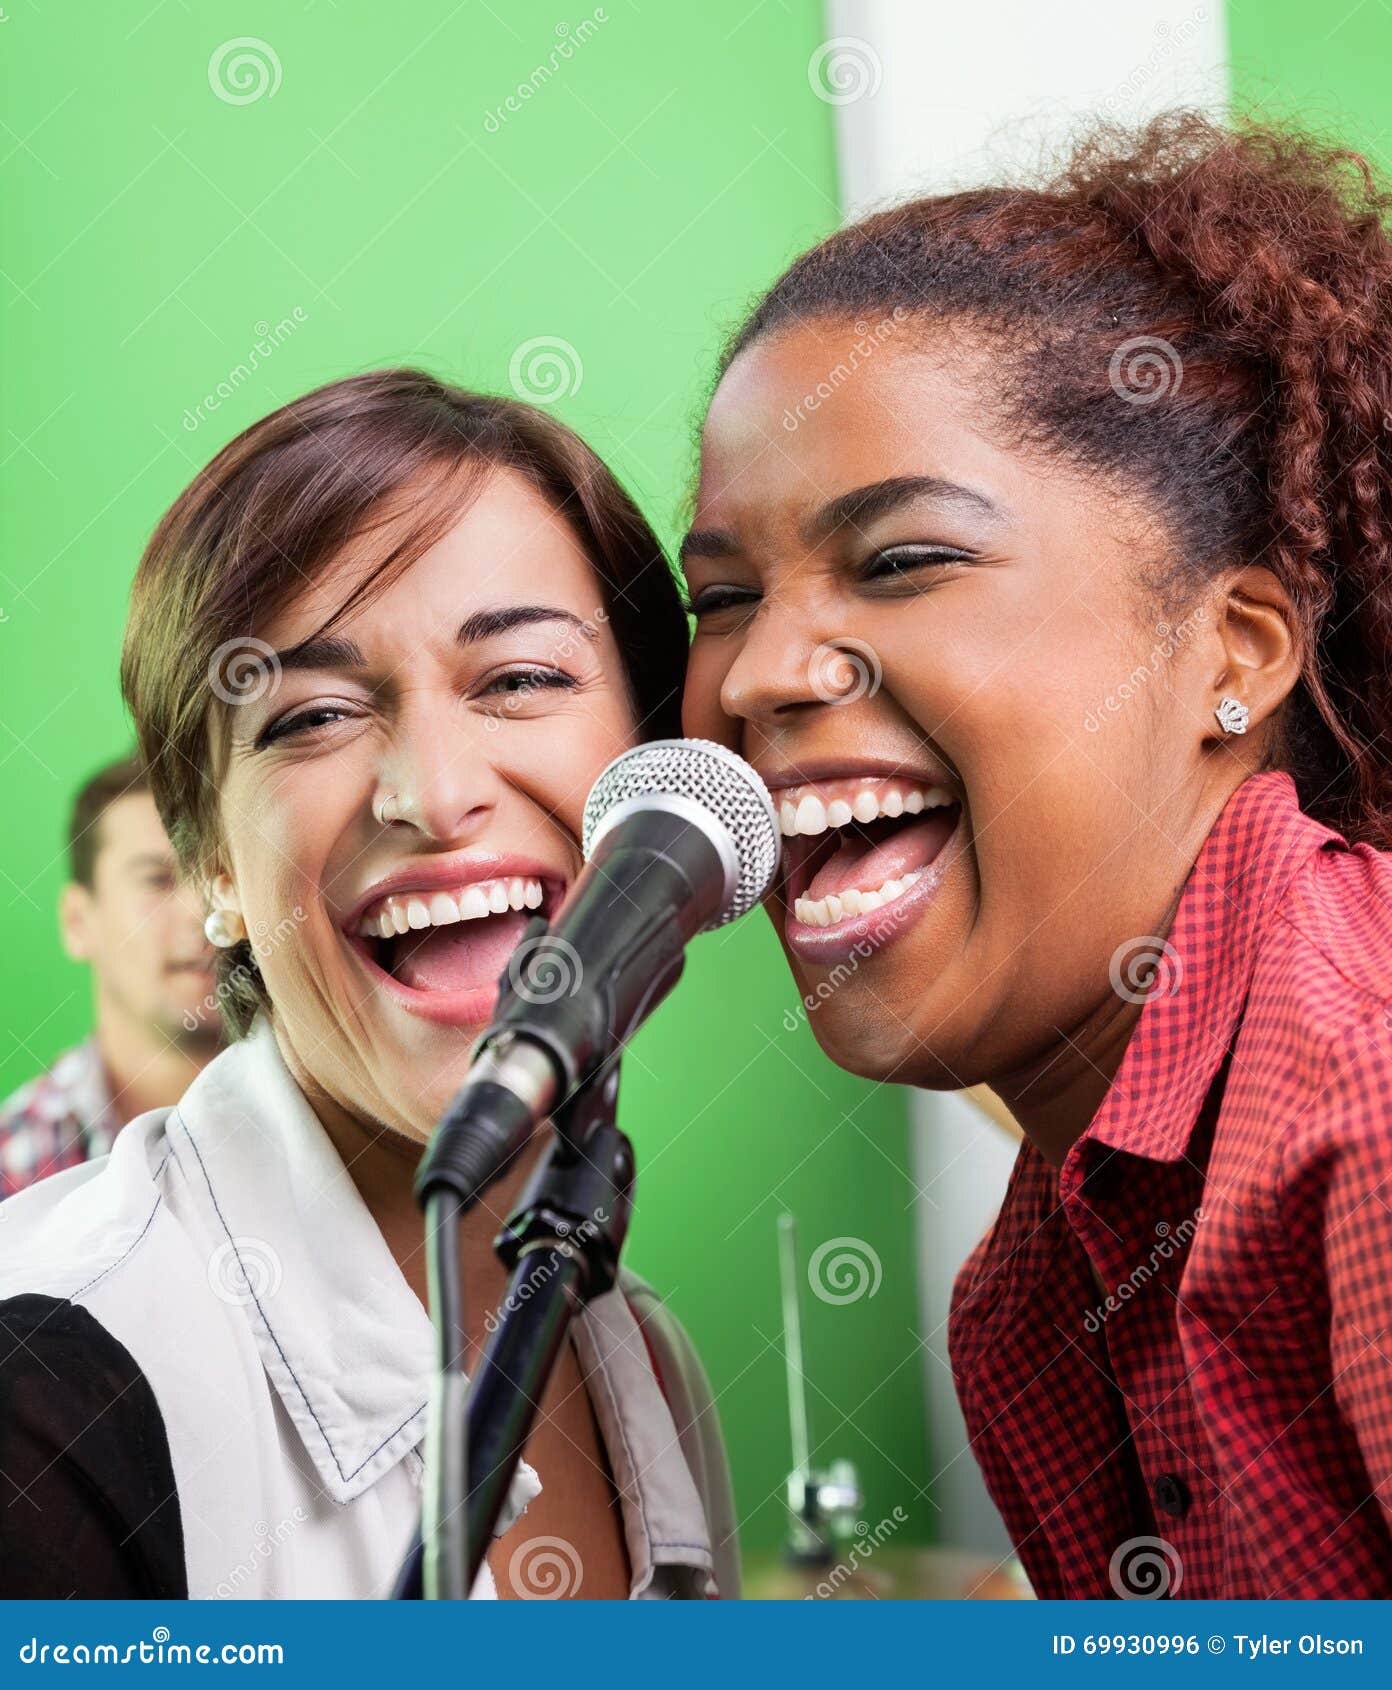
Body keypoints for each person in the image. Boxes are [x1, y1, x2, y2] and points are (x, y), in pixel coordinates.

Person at [680, 112, 1392, 1599]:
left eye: (902, 561)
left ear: (1236, 648)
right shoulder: (1027, 1291)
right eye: (724, 596)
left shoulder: (1363, 1100)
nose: (757, 675)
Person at [0, 369, 736, 1601]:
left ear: (652, 777)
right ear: (214, 865)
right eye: (317, 715)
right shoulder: (47, 1384)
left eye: (519, 680)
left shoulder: (647, 1364)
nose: (434, 791)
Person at [0, 754, 222, 1198]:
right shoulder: (14, 1166)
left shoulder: (339, 1125)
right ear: (79, 922)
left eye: (219, 873)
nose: (204, 913)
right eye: (158, 879)